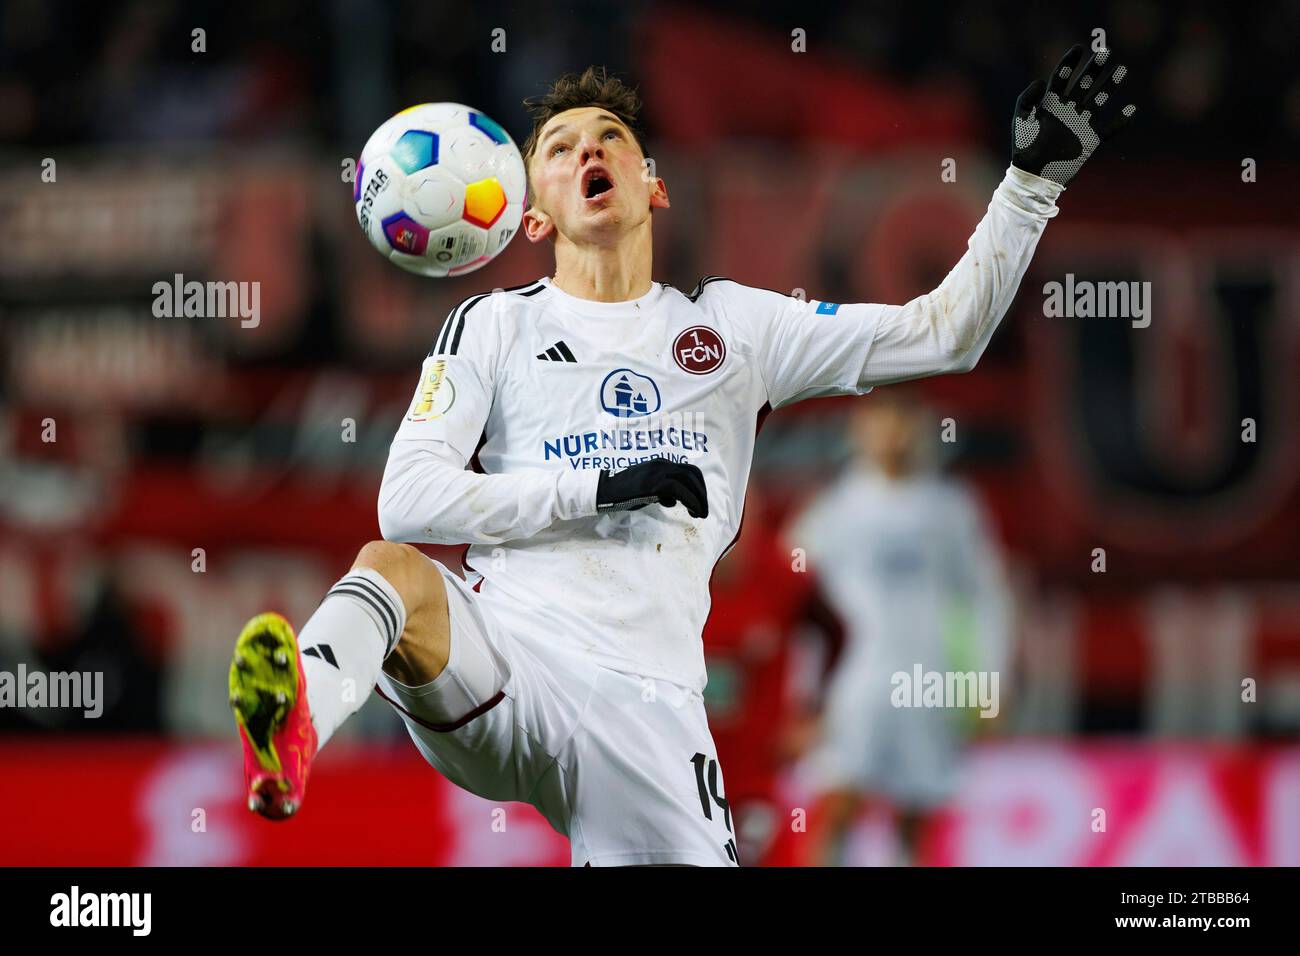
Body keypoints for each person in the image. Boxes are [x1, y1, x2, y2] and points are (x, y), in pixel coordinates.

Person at [227, 50, 1134, 866]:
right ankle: (299, 718)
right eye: (562, 146)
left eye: (612, 139)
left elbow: (946, 335)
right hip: (509, 663)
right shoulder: (493, 326)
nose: (591, 153)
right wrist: (594, 490)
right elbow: (408, 501)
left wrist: (1029, 185)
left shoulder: (736, 328)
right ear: (531, 215)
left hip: (649, 707)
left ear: (651, 184)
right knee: (391, 571)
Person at [790, 391, 1013, 866]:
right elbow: (794, 605)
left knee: (916, 812)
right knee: (838, 803)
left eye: (903, 417)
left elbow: (985, 598)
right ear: (858, 428)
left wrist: (989, 680)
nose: (892, 429)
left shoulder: (951, 510)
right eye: (879, 417)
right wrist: (797, 692)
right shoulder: (833, 512)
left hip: (925, 680)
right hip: (851, 685)